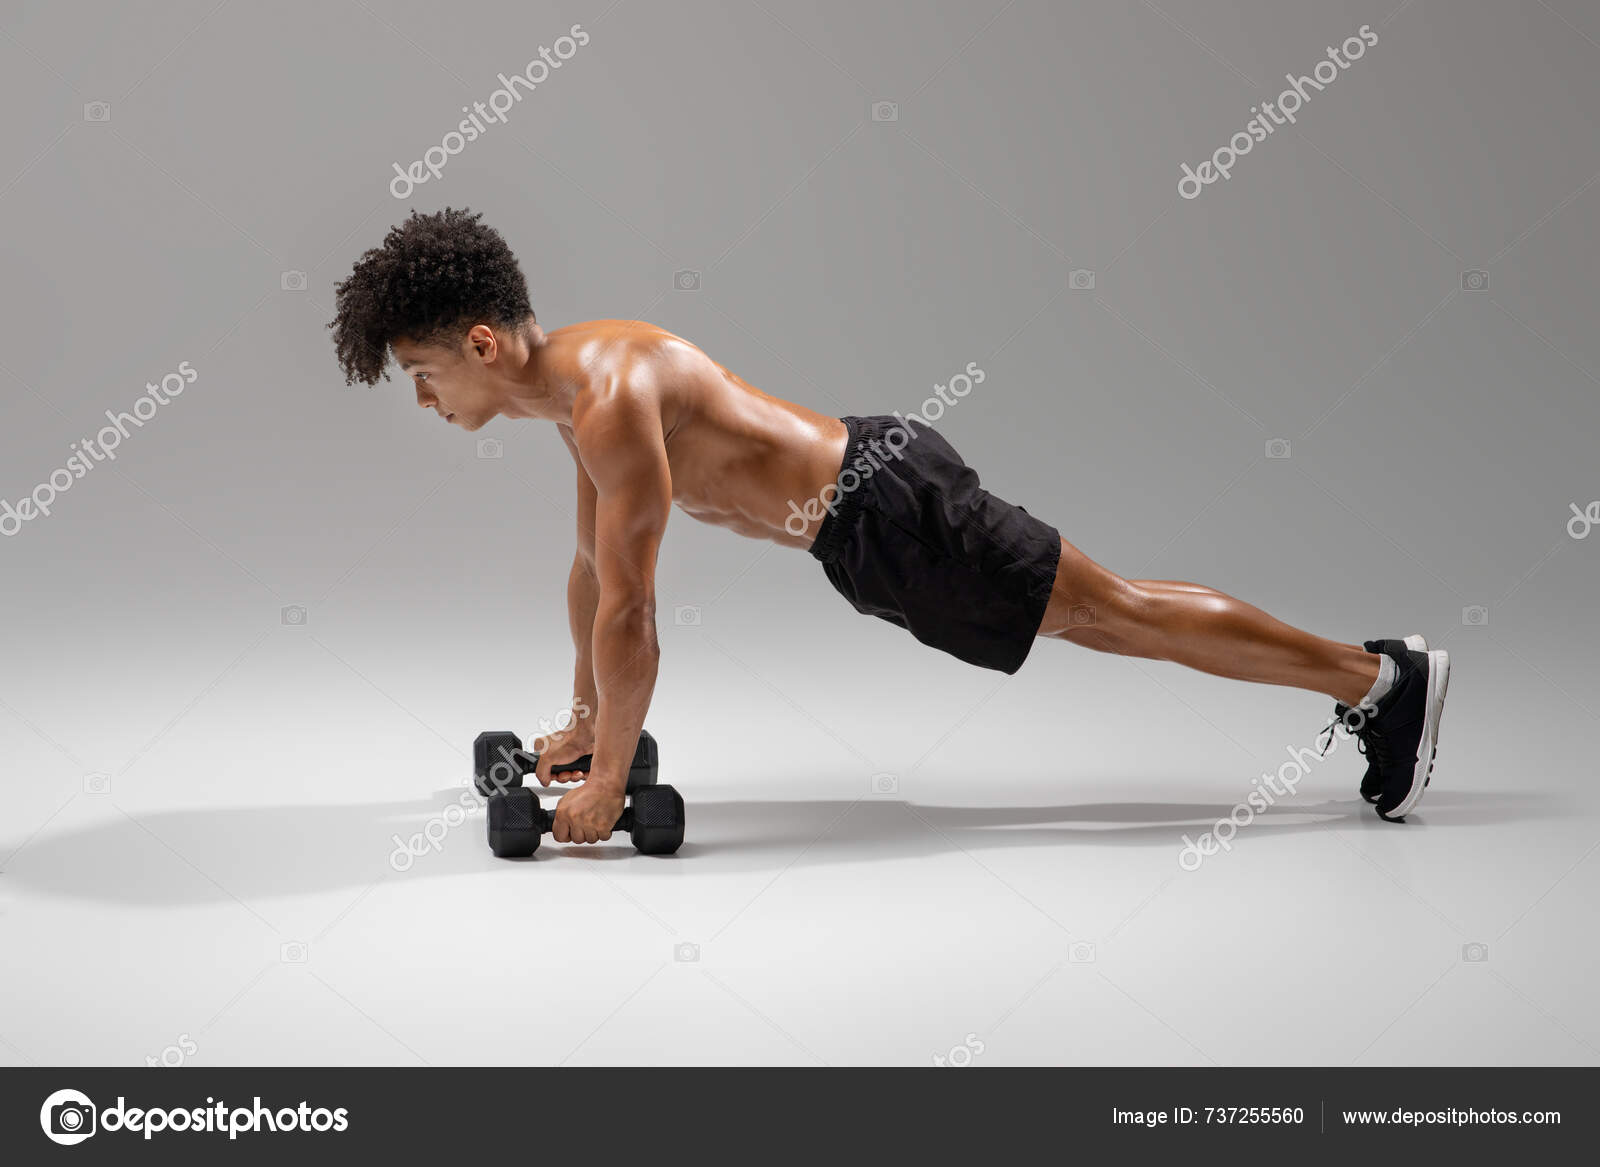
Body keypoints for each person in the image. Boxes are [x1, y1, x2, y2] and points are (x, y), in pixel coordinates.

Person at [329, 208, 1449, 844]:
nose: (423, 401)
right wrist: (581, 724)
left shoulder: (610, 396)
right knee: (1108, 619)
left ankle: (1379, 682)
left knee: (1115, 616)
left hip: (888, 512)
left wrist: (611, 783)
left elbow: (634, 604)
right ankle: (1371, 679)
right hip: (864, 522)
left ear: (480, 344)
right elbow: (589, 571)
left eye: (421, 374)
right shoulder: (569, 389)